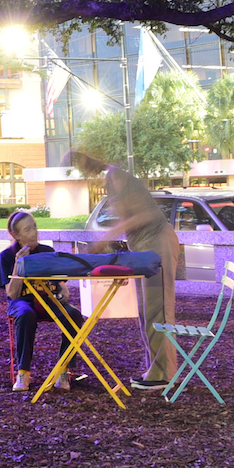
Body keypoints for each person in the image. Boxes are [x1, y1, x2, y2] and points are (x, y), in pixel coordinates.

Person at [70, 149, 182, 391]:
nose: (81, 170)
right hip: (144, 248)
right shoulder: (111, 180)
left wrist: (104, 239)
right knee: (146, 311)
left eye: (80, 163)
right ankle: (157, 368)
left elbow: (142, 215)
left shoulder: (116, 176)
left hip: (157, 243)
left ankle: (163, 373)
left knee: (158, 310)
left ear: (91, 160)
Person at [0, 209, 85, 391]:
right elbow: (12, 294)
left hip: (49, 299)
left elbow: (62, 287)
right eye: (28, 229)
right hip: (23, 301)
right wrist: (18, 265)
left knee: (74, 315)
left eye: (34, 227)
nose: (34, 232)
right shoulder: (6, 256)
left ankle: (63, 371)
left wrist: (62, 293)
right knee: (25, 314)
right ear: (16, 235)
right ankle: (23, 373)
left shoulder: (47, 252)